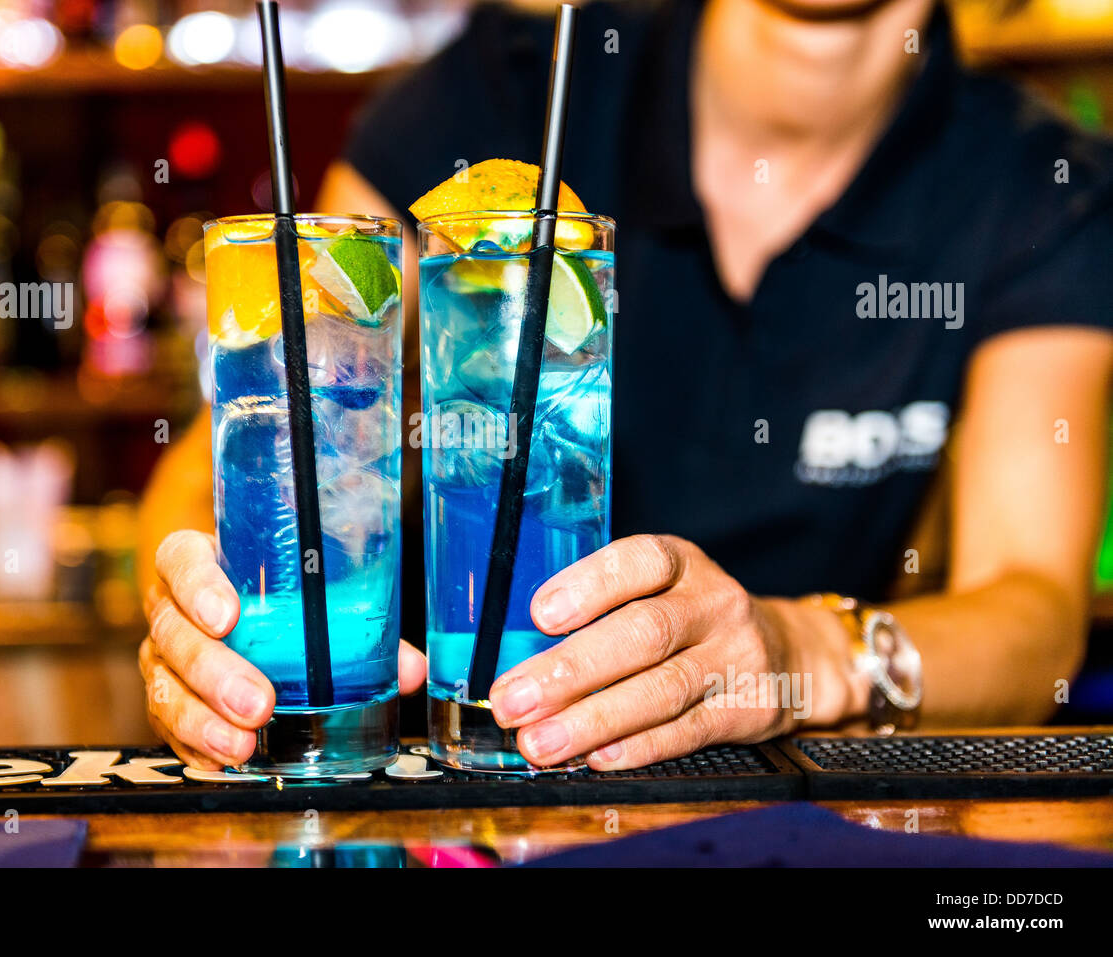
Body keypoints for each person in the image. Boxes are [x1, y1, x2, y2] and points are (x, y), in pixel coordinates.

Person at [138, 0, 1113, 771]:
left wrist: (795, 654)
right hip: (451, 779)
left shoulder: (1041, 185)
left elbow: (1031, 612)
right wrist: (193, 618)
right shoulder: (506, 93)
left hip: (797, 811)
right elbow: (257, 435)